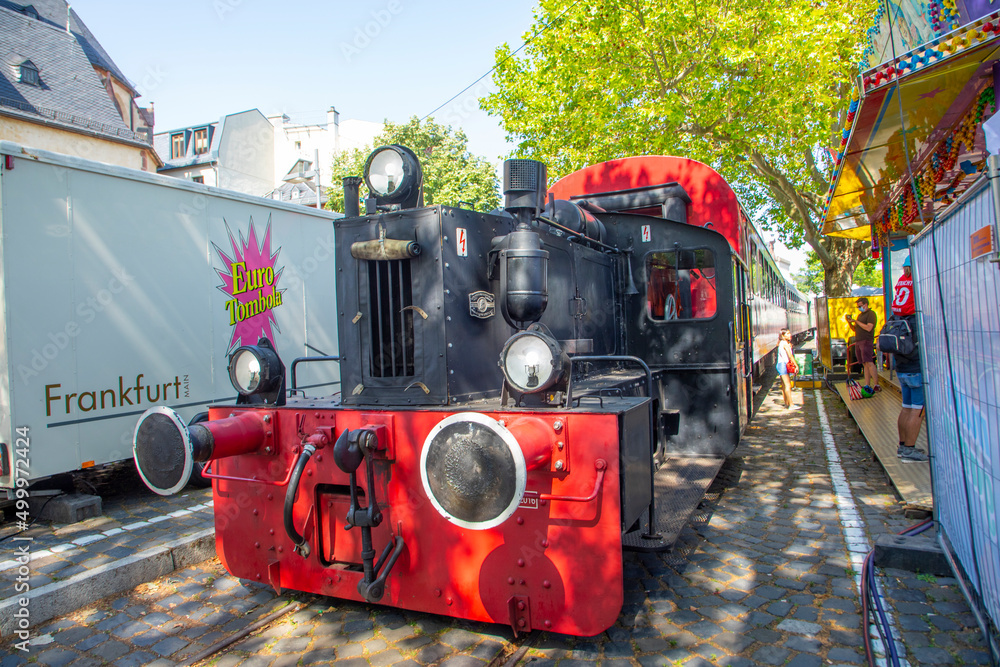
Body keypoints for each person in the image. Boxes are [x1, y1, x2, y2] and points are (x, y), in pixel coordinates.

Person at [893, 255, 928, 462]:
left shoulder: (900, 293)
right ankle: (910, 449)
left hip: (901, 363)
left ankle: (902, 446)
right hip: (916, 362)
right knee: (918, 409)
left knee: (906, 407)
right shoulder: (919, 289)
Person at [846, 296, 878, 396]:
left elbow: (869, 328)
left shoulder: (871, 314)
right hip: (859, 341)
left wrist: (856, 321)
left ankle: (876, 384)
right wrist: (850, 322)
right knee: (864, 363)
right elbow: (856, 329)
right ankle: (867, 384)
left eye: (860, 306)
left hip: (866, 341)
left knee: (869, 362)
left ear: (865, 304)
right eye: (857, 306)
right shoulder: (860, 315)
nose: (859, 308)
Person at [776, 328, 798, 409]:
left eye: (789, 333)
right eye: (787, 333)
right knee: (788, 385)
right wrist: (796, 365)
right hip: (783, 365)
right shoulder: (785, 344)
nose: (790, 335)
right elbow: (790, 356)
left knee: (784, 386)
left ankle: (787, 403)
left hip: (780, 365)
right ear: (783, 335)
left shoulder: (782, 343)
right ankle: (791, 405)